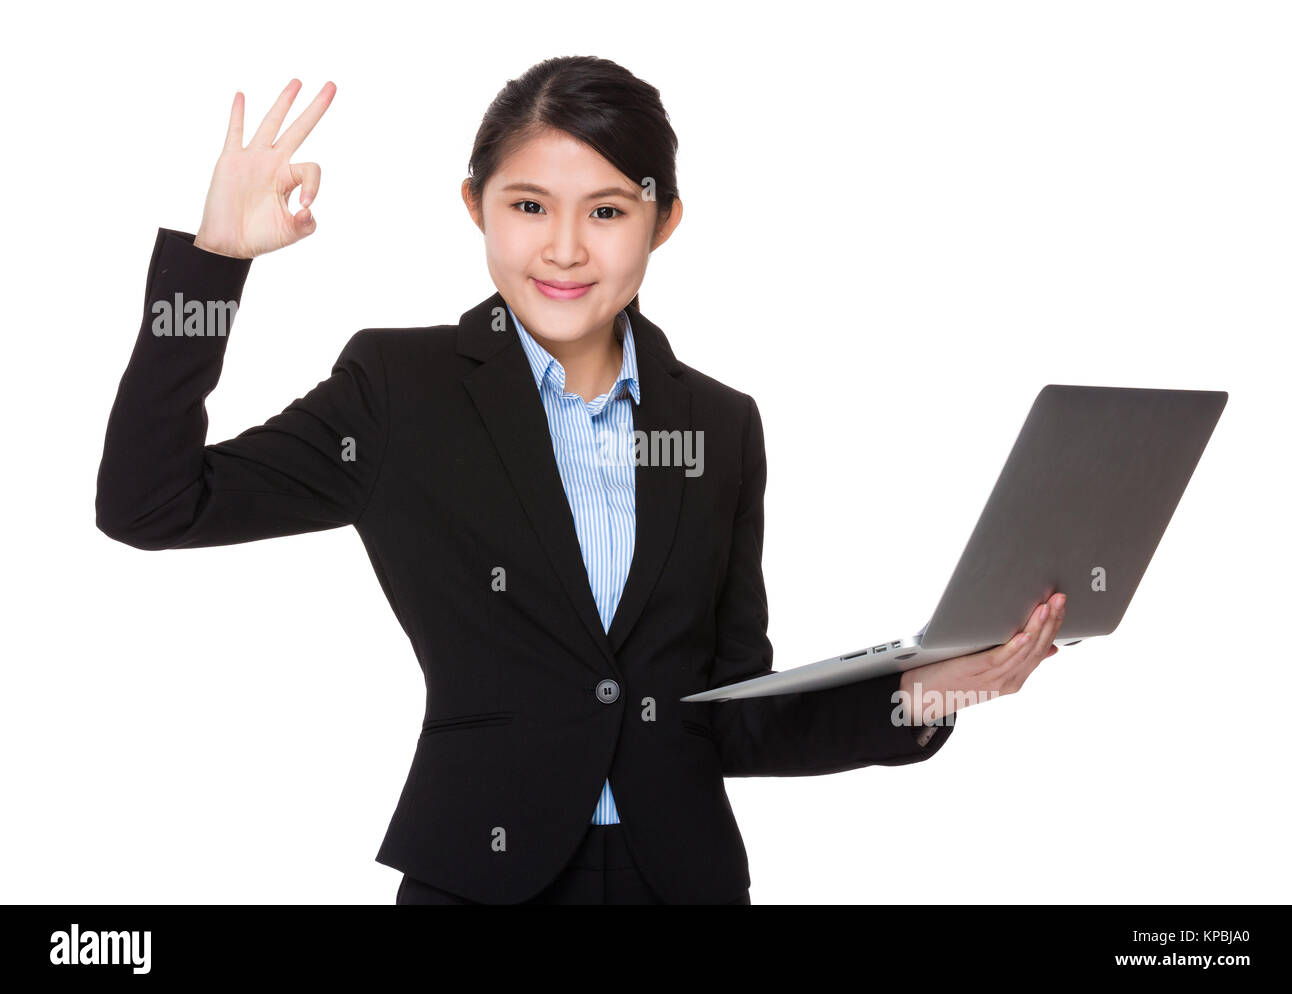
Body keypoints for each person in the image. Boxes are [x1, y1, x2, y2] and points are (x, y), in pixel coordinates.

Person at [96, 57, 1066, 905]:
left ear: (664, 221)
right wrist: (212, 266)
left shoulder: (718, 424)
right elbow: (151, 503)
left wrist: (929, 692)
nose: (564, 249)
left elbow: (730, 719)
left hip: (681, 881)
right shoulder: (399, 391)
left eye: (607, 211)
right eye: (527, 207)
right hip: (478, 877)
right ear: (473, 205)